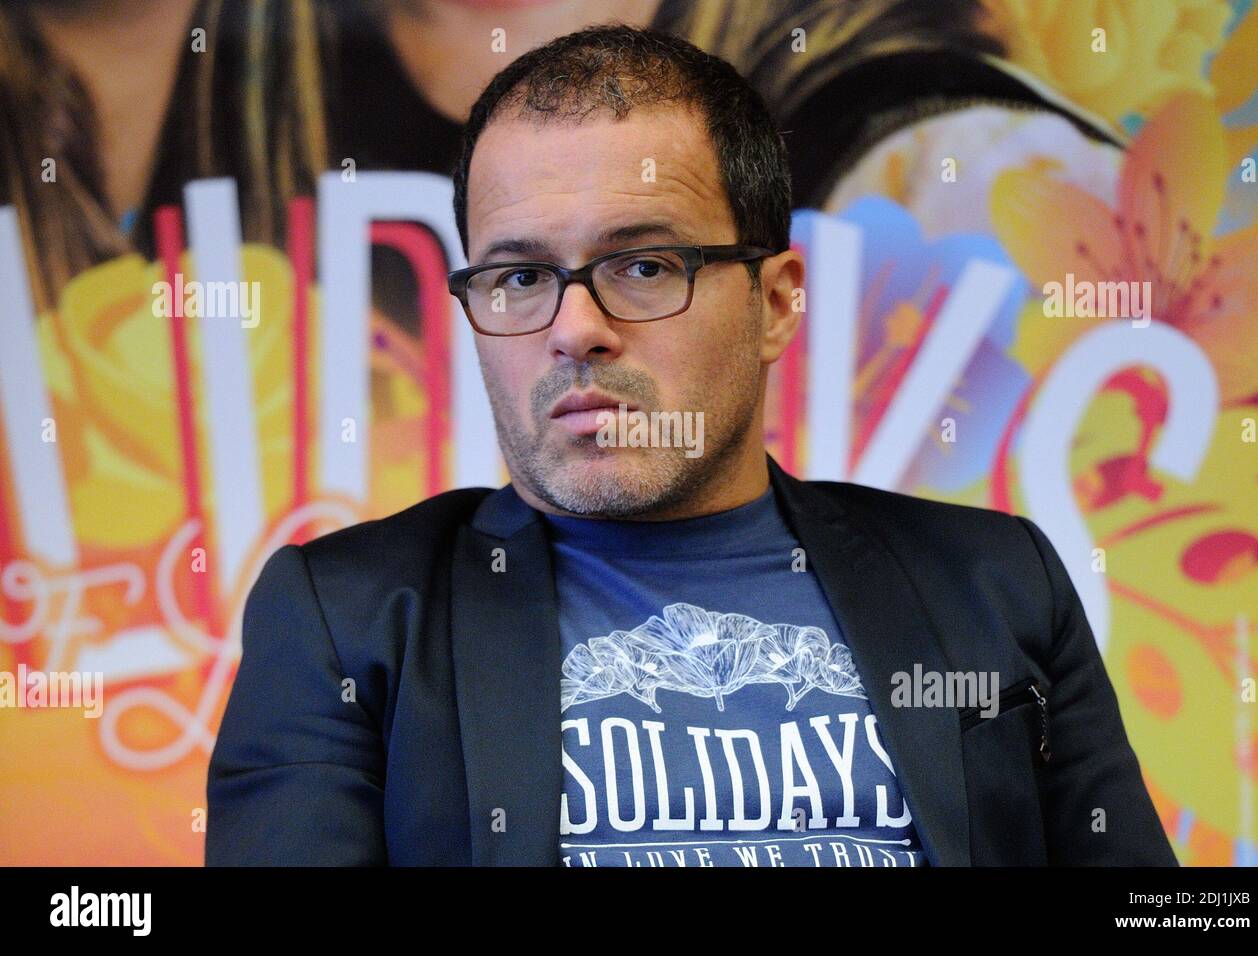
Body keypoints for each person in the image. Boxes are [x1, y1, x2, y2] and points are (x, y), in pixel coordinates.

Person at [205, 23, 1177, 867]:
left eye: (642, 264)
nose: (572, 327)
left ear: (777, 300)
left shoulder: (999, 586)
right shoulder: (344, 618)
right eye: (516, 278)